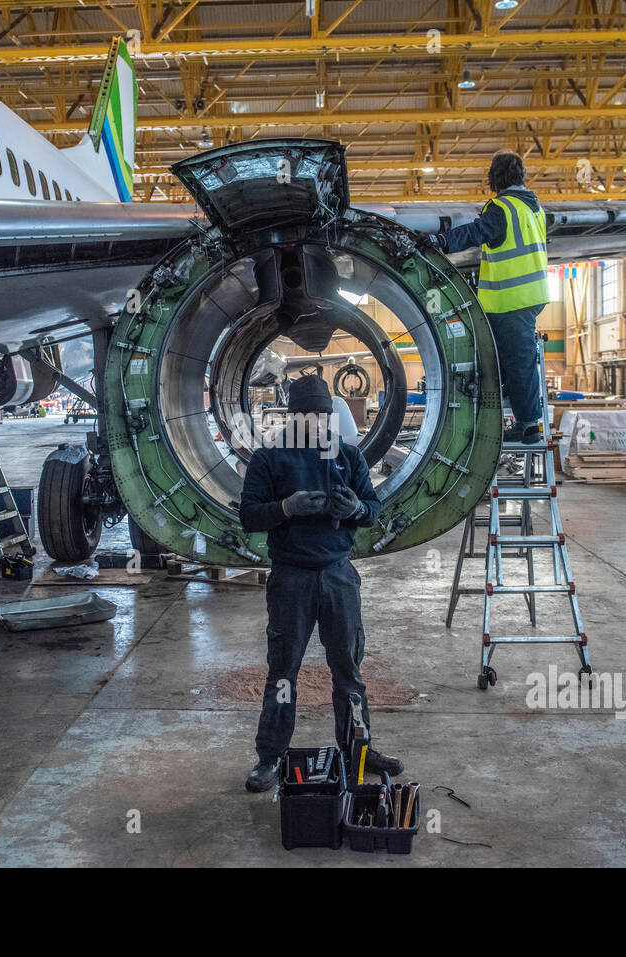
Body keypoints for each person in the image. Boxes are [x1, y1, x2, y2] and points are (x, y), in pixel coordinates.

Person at [238, 374, 402, 792]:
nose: (316, 423)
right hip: (291, 577)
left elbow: (374, 507)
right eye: (308, 415)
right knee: (283, 673)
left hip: (337, 575)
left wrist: (357, 509)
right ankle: (268, 759)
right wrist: (285, 508)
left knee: (348, 669)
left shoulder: (348, 455)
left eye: (323, 416)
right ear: (293, 417)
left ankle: (358, 753)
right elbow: (250, 515)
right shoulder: (269, 459)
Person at [426, 151, 548, 444]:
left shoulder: (502, 208)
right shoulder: (534, 209)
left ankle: (529, 425)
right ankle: (521, 413)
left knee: (519, 362)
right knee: (510, 360)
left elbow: (477, 231)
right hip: (529, 295)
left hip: (510, 299)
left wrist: (442, 241)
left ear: (495, 178)